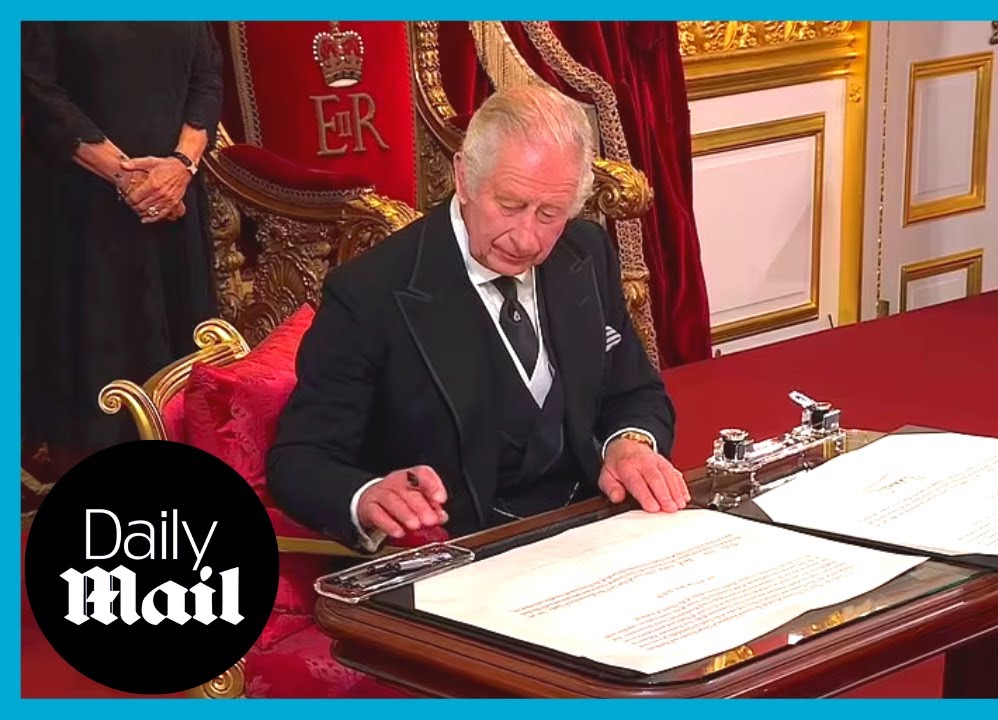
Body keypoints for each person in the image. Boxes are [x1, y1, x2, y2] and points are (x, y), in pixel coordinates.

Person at [267, 85, 686, 552]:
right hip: (462, 554)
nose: (526, 239)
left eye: (551, 213)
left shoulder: (585, 253)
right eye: (510, 206)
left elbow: (634, 391)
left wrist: (628, 443)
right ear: (464, 177)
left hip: (596, 524)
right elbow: (301, 460)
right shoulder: (369, 293)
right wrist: (367, 497)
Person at [21, 22, 223, 479]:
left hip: (174, 200)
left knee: (182, 355)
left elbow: (208, 79)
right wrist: (127, 176)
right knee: (96, 364)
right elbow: (36, 87)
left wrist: (181, 165)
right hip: (81, 210)